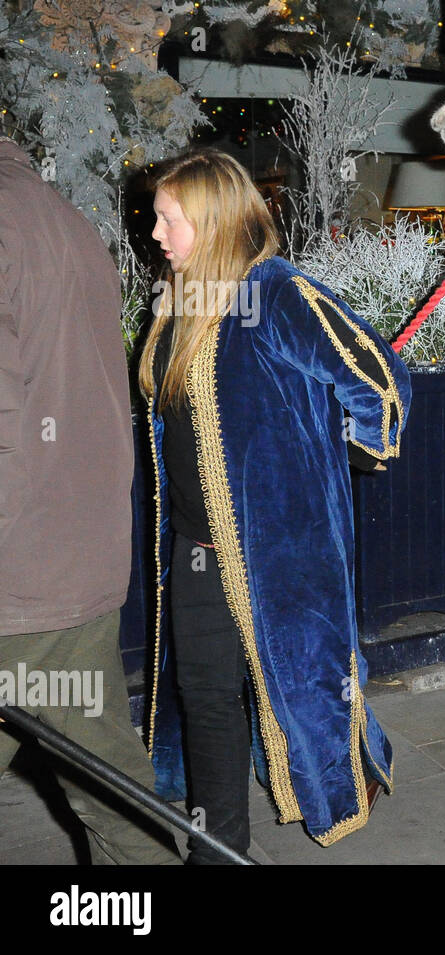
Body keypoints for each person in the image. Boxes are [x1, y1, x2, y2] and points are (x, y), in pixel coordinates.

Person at [139, 148, 411, 862]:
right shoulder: (178, 299)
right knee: (206, 704)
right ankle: (218, 849)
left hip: (280, 552)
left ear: (211, 218)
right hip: (194, 551)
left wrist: (339, 456)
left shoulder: (278, 292)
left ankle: (362, 758)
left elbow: (380, 380)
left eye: (168, 219)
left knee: (303, 690)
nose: (157, 234)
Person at [0, 136, 180, 864]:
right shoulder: (64, 219)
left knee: (107, 781)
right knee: (109, 788)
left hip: (16, 574)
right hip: (80, 556)